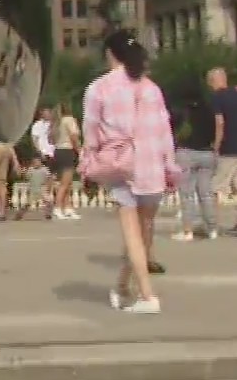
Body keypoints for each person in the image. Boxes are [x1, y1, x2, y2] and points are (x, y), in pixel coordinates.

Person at [83, 29, 176, 315]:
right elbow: (165, 132)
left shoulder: (100, 88)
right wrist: (170, 168)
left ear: (110, 54)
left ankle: (147, 296)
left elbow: (91, 132)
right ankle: (123, 285)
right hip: (153, 166)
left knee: (133, 234)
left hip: (122, 165)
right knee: (144, 232)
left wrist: (89, 166)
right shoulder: (151, 88)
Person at [207, 67, 237, 238]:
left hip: (228, 149)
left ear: (213, 81)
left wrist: (216, 146)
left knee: (215, 188)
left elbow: (220, 123)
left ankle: (213, 224)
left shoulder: (217, 98)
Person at [169, 80, 219, 241]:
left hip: (186, 152)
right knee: (206, 193)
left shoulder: (181, 110)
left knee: (187, 193)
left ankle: (187, 230)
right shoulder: (209, 109)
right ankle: (212, 229)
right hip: (207, 153)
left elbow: (171, 129)